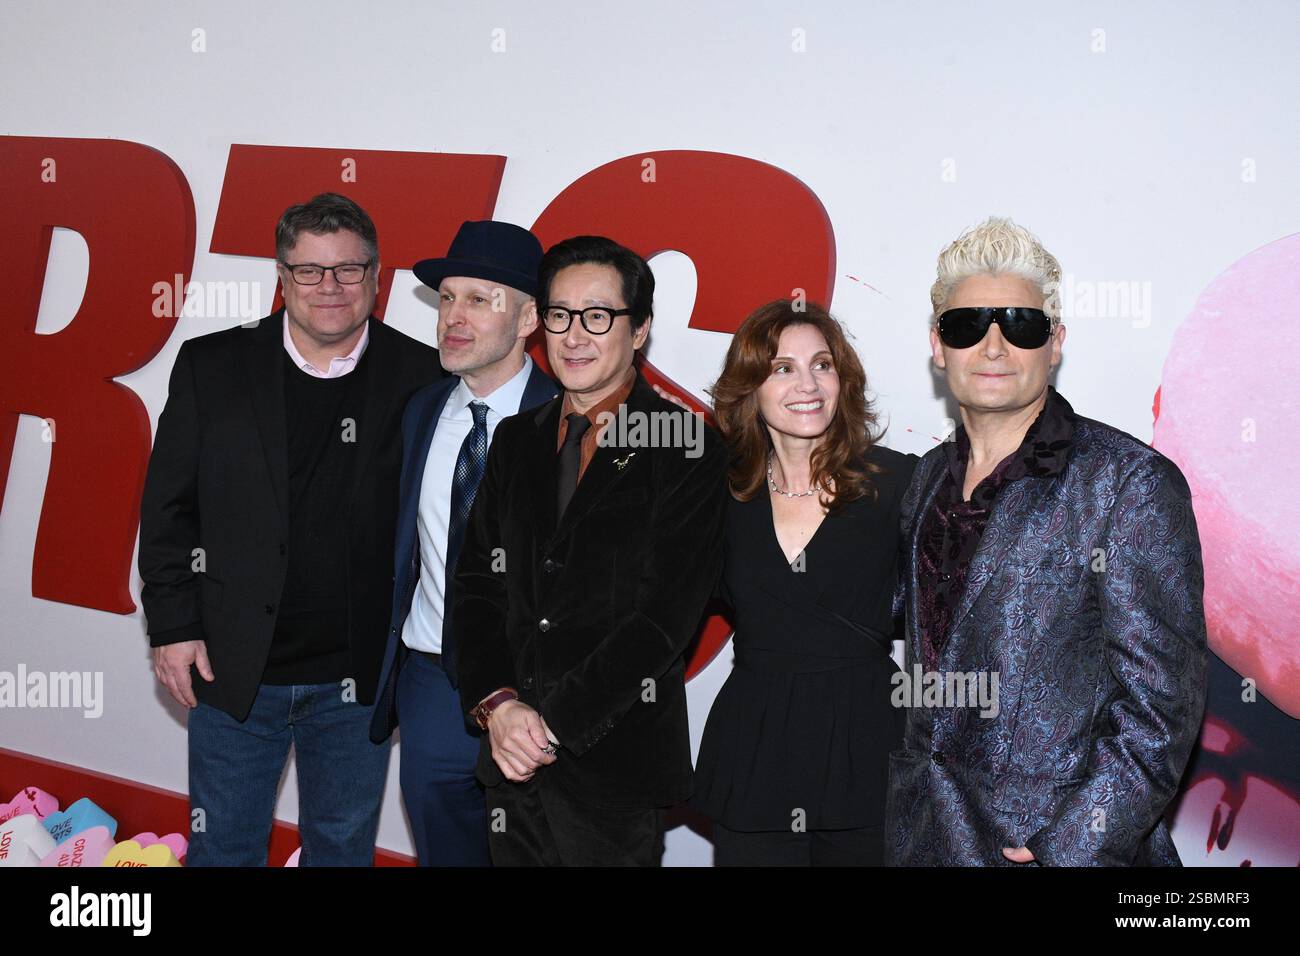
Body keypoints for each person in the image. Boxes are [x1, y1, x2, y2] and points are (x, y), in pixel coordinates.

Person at [886, 216, 1208, 866]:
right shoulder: (925, 479)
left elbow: (1162, 703)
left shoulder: (1128, 482)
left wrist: (1071, 842)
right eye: (967, 325)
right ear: (937, 345)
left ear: (1055, 342)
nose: (995, 346)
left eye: (1021, 324)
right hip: (921, 839)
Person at [139, 192, 443, 865]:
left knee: (340, 850)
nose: (329, 287)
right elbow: (167, 510)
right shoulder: (212, 366)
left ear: (377, 276)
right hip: (233, 667)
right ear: (281, 278)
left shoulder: (423, 377)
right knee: (223, 850)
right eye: (309, 270)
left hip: (356, 680)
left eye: (348, 269)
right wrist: (172, 626)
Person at [452, 235, 728, 865]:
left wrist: (547, 725)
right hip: (508, 761)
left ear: (641, 330)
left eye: (598, 316)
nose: (574, 335)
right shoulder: (516, 438)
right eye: (559, 315)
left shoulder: (686, 445)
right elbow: (476, 585)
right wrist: (498, 706)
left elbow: (664, 618)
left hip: (611, 766)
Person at [687, 300, 917, 866]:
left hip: (866, 743)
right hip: (758, 746)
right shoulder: (719, 492)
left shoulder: (900, 483)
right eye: (782, 368)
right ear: (751, 388)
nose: (807, 383)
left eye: (822, 364)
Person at [368, 220, 558, 866]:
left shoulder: (572, 422)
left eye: (480, 299)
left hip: (535, 692)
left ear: (529, 316)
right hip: (431, 684)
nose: (454, 316)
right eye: (448, 297)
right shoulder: (422, 410)